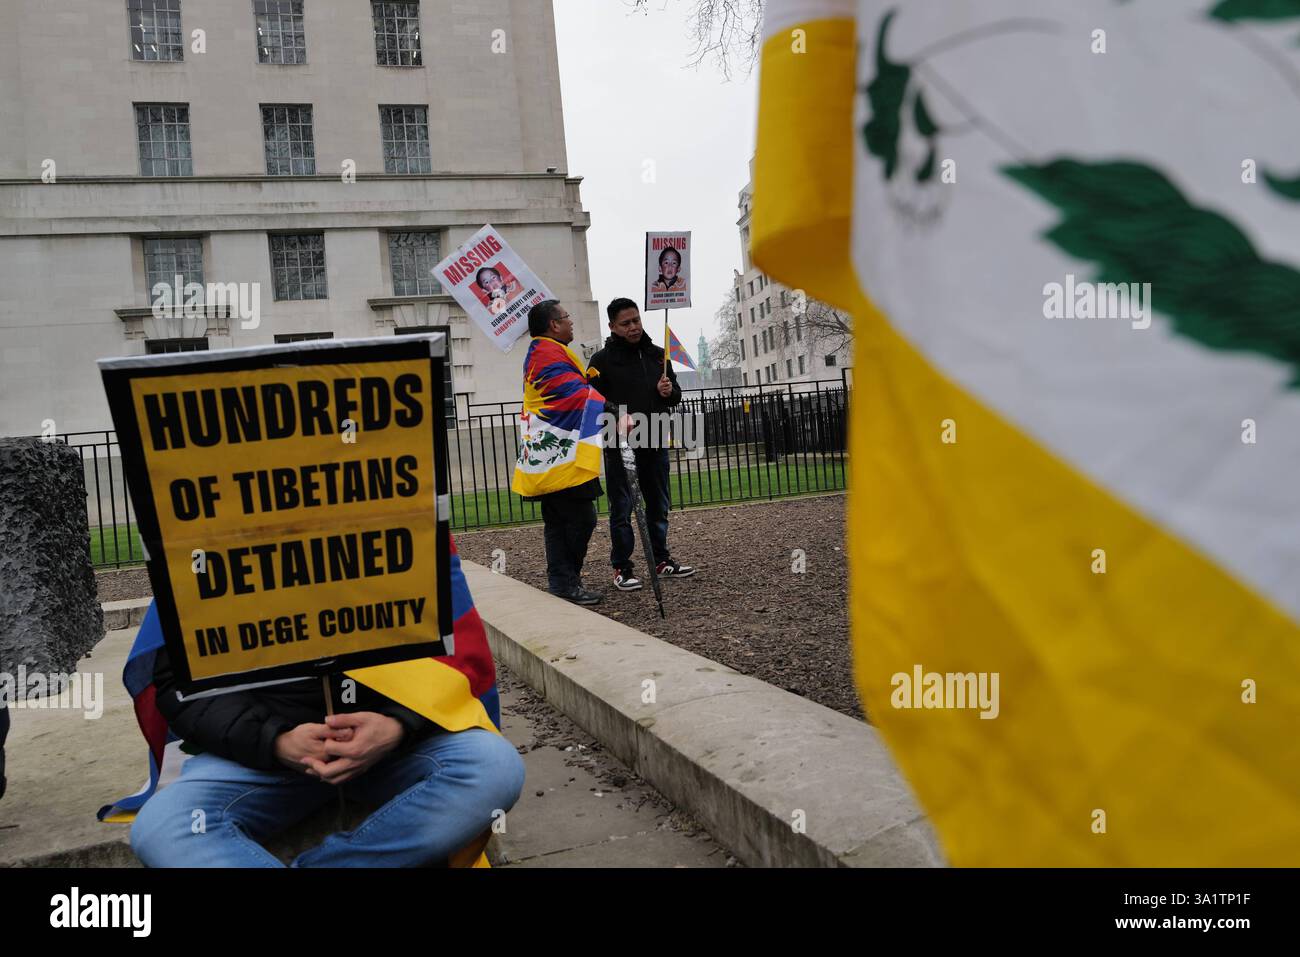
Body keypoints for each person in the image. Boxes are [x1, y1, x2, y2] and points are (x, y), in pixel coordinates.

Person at [127, 552, 524, 867]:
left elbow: (452, 649)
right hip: (263, 758)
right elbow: (180, 680)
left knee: (494, 767)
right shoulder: (203, 541)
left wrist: (397, 724)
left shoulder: (401, 517)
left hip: (389, 749)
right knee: (164, 827)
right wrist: (275, 740)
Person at [586, 298, 695, 591]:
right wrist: (617, 413)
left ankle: (661, 559)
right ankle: (622, 567)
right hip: (619, 443)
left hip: (655, 438)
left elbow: (674, 397)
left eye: (636, 320)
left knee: (658, 504)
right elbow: (592, 402)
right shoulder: (600, 362)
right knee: (622, 507)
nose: (633, 327)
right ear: (612, 326)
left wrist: (669, 391)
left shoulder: (659, 356)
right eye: (626, 323)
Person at [511, 300, 606, 606]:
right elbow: (570, 394)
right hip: (561, 453)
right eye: (567, 317)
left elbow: (569, 387)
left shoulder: (543, 351)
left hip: (551, 452)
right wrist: (607, 405)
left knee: (558, 521)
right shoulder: (547, 352)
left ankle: (561, 581)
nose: (571, 322)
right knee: (582, 518)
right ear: (554, 325)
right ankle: (566, 580)